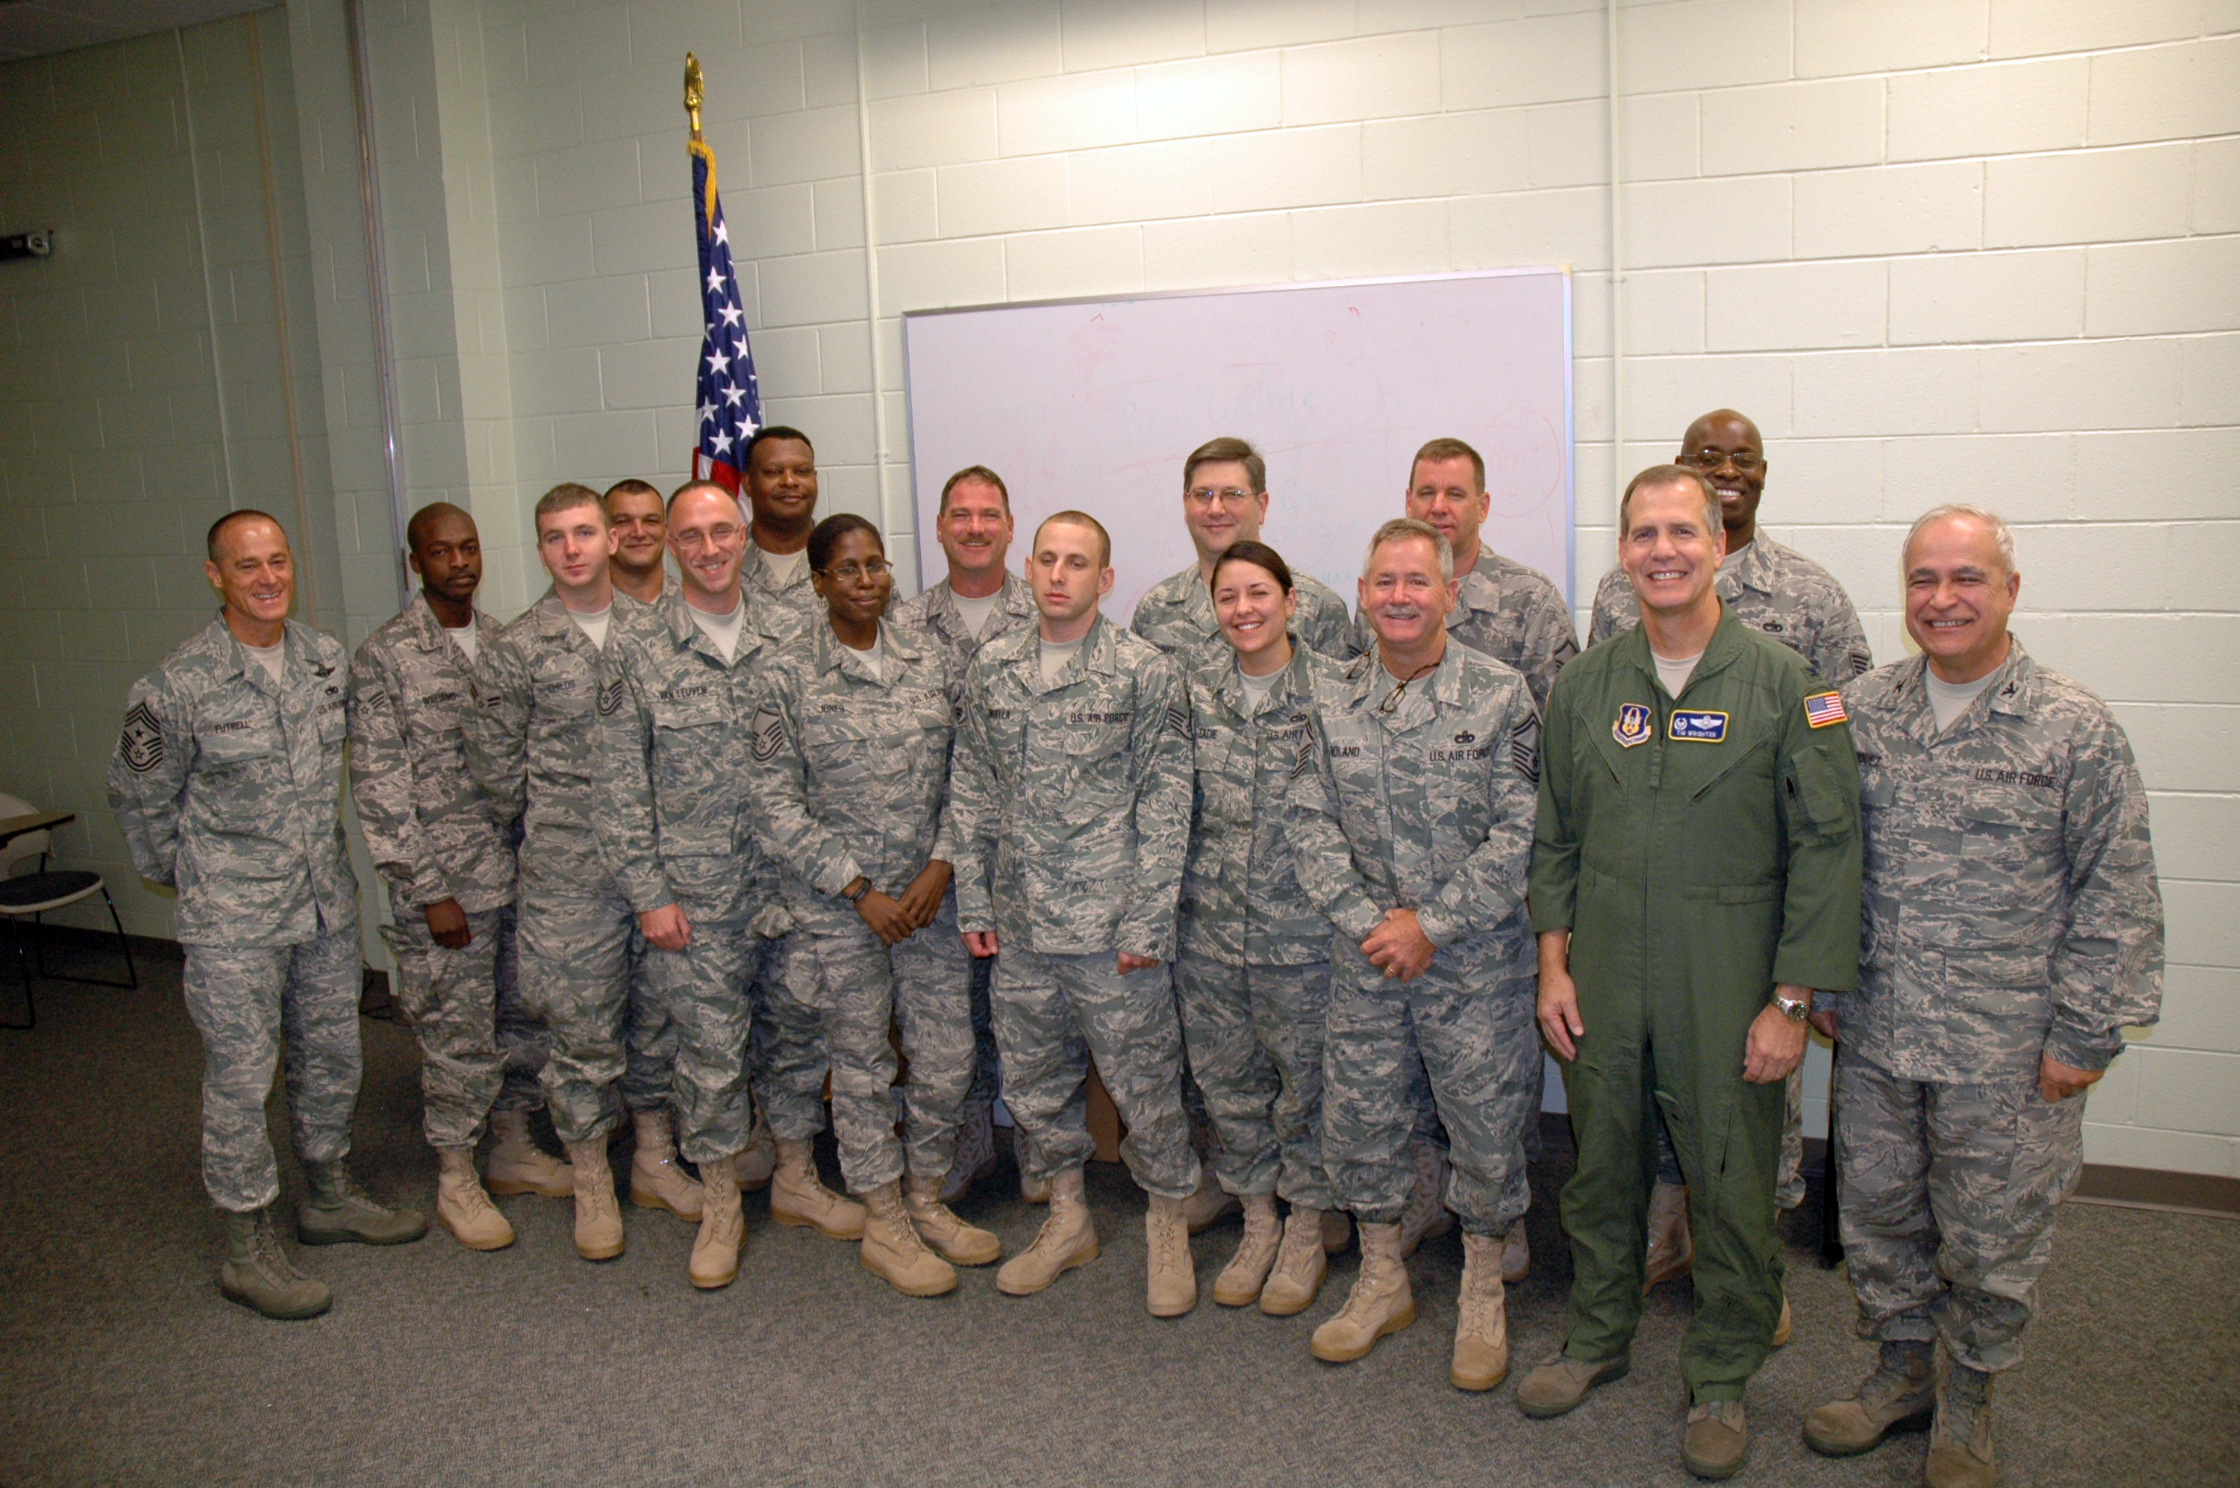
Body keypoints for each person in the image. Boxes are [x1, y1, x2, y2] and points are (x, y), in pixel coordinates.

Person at [1804, 506, 2162, 1488]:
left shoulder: (2072, 727)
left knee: (1992, 1237)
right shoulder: (1856, 710)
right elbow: (1822, 858)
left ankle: (1969, 1398)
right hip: (1876, 1032)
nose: (1941, 598)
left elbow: (2116, 888)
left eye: (1965, 578)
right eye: (1922, 579)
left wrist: (2084, 1034)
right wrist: (1821, 980)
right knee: (1879, 1221)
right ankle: (1898, 1375)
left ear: (2007, 589)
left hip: (2007, 1051)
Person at [1523, 465, 1862, 1480]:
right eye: (1642, 534)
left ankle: (1719, 1374)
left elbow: (1825, 851)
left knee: (1727, 1181)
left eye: (1681, 531)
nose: (1661, 550)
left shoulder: (1786, 686)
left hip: (1731, 973)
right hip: (1607, 966)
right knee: (1600, 1169)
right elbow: (1554, 837)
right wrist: (1551, 966)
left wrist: (1790, 1001)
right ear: (1622, 553)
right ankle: (1594, 1335)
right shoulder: (1586, 685)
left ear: (1718, 547)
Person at [108, 510, 425, 1321]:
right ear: (215, 575)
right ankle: (247, 1245)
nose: (267, 578)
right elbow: (140, 798)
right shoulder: (177, 685)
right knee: (243, 1081)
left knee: (331, 1056)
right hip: (233, 922)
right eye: (246, 566)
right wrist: (194, 881)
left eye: (278, 561)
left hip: (322, 908)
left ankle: (326, 1196)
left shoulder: (323, 660)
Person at [1587, 409, 1874, 1290]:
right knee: (1653, 1072)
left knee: (1756, 1102)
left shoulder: (1811, 595)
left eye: (1741, 459)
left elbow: (1842, 741)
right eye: (1706, 458)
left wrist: (1803, 963)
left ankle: (1749, 1265)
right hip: (1651, 882)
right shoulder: (1613, 593)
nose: (1726, 470)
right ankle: (1671, 1229)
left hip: (1750, 889)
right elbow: (1610, 726)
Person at [1286, 518, 1542, 1390]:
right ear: (1363, 596)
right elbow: (1308, 820)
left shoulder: (1502, 694)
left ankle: (1481, 1282)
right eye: (1384, 583)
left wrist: (1429, 923)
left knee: (1485, 1123)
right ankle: (1383, 1275)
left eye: (1417, 582)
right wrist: (1372, 921)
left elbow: (1523, 833)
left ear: (1449, 593)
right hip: (1365, 962)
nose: (1400, 597)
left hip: (1472, 965)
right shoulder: (1329, 698)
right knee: (1360, 1120)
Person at [595, 481, 853, 1290]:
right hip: (697, 892)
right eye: (690, 536)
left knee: (798, 1035)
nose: (708, 549)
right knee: (708, 1052)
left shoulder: (800, 628)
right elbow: (617, 786)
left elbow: (830, 751)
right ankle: (718, 1201)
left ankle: (795, 1175)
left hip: (792, 884)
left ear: (744, 536)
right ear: (671, 546)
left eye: (721, 532)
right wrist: (647, 893)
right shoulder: (634, 648)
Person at [948, 511, 1203, 1316]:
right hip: (1023, 926)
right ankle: (1066, 1218)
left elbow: (1169, 798)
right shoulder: (993, 667)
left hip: (1110, 930)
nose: (1059, 575)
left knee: (1147, 1087)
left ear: (1106, 578)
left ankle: (1169, 1223)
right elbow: (973, 784)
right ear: (1029, 569)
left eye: (1078, 563)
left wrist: (1147, 918)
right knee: (1033, 1085)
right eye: (1048, 560)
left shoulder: (1141, 670)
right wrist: (974, 894)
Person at [749, 513, 999, 1297]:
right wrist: (858, 890)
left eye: (876, 566)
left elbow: (973, 770)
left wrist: (941, 863)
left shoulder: (932, 660)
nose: (865, 581)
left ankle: (925, 1192)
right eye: (846, 569)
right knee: (860, 1064)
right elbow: (772, 803)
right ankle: (883, 1215)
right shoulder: (784, 675)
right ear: (818, 582)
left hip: (927, 902)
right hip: (842, 909)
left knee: (948, 1055)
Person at [467, 484, 704, 1264]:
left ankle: (653, 1159)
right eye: (554, 537)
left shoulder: (662, 630)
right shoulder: (518, 647)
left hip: (661, 872)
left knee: (656, 1021)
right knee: (581, 1035)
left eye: (584, 533)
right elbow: (497, 774)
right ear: (540, 551)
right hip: (571, 876)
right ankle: (591, 1176)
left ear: (613, 540)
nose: (571, 548)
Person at [1371, 435, 1582, 1274]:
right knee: (1416, 1067)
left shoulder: (1529, 600)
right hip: (1401, 879)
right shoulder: (1391, 591)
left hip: (1492, 885)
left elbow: (1558, 745)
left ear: (1484, 506)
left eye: (1456, 494)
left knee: (1491, 1070)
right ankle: (1429, 1197)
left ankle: (1504, 1216)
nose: (1439, 507)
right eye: (1426, 491)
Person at [350, 502, 555, 1252]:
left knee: (522, 1016)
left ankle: (511, 1143)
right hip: (447, 890)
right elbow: (379, 785)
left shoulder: (504, 643)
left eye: (469, 548)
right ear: (416, 563)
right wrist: (428, 889)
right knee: (455, 1032)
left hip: (515, 876)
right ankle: (456, 1173)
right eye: (441, 552)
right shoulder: (386, 656)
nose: (459, 562)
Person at [1173, 540, 1351, 1316]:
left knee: (1306, 1088)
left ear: (1291, 600)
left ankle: (1307, 1226)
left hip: (1303, 937)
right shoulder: (1193, 691)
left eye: (1258, 594)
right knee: (1230, 1087)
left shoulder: (1339, 692)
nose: (1243, 610)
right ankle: (1256, 1219)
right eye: (1227, 598)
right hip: (1208, 934)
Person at [888, 465, 1037, 1204]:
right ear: (940, 528)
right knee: (953, 1015)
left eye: (989, 514)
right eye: (960, 515)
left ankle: (1044, 1152)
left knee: (1034, 1011)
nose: (975, 527)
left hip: (1032, 858)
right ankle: (972, 1139)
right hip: (934, 862)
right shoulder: (902, 627)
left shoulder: (1048, 613)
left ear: (1010, 527)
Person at [1131, 436, 1356, 661]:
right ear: (1186, 505)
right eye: (1203, 495)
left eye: (1233, 495)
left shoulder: (1318, 609)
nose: (1216, 509)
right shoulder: (1155, 609)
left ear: (1261, 505)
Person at [739, 425, 822, 639]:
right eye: (774, 472)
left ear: (815, 478)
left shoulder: (849, 562)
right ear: (748, 483)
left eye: (802, 471)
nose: (789, 481)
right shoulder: (723, 563)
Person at [603, 478, 668, 607]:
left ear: (666, 531)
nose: (639, 533)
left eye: (651, 521)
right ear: (605, 533)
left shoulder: (700, 603)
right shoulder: (584, 609)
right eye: (623, 521)